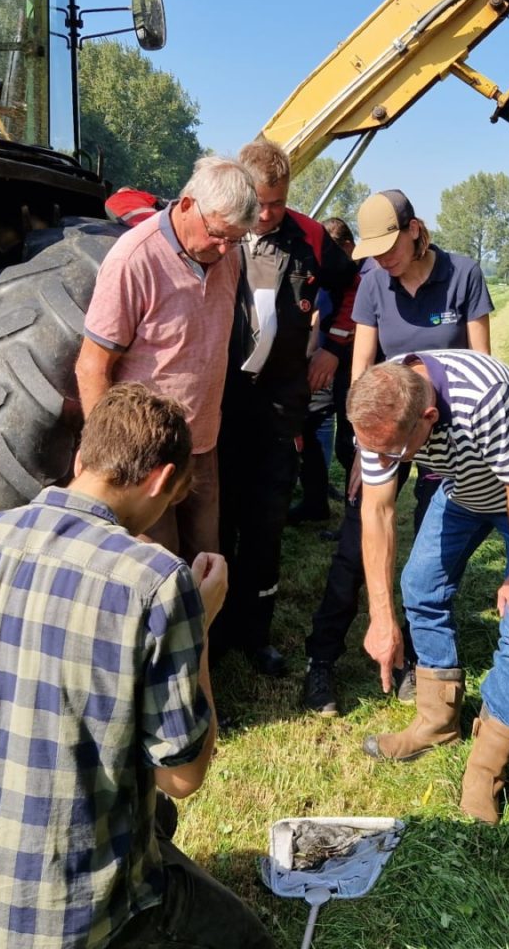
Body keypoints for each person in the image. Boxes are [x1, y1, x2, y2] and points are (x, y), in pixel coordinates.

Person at [0, 384, 275, 948]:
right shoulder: (154, 582)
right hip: (82, 923)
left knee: (157, 821)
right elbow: (181, 777)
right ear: (161, 480)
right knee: (247, 940)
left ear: (81, 460)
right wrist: (198, 629)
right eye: (170, 501)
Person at [349, 352, 509, 825]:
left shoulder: (483, 399)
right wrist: (381, 616)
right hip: (467, 489)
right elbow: (376, 510)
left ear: (428, 418)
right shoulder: (380, 403)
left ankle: (486, 770)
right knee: (420, 585)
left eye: (392, 454)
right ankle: (437, 722)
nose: (382, 463)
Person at [300, 189, 493, 715]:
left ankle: (416, 657)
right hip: (387, 424)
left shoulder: (463, 275)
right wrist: (362, 445)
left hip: (445, 434)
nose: (383, 259)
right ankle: (322, 659)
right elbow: (362, 367)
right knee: (356, 543)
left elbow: (485, 365)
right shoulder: (372, 283)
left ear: (414, 230)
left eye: (389, 247)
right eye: (374, 251)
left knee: (434, 550)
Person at [217, 137, 354, 675]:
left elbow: (356, 282)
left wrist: (334, 346)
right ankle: (213, 627)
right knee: (217, 514)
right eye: (259, 203)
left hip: (279, 401)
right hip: (219, 398)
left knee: (267, 517)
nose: (267, 214)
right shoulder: (218, 228)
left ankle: (256, 633)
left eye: (278, 203)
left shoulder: (311, 236)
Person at [77, 156, 258, 561]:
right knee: (155, 563)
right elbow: (92, 366)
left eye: (236, 240)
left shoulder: (227, 256)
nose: (225, 249)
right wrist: (108, 458)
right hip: (145, 454)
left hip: (202, 445)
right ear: (188, 205)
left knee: (206, 557)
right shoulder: (133, 259)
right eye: (219, 235)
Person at [292, 217, 359, 524]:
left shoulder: (363, 275)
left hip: (349, 365)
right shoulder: (322, 273)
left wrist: (331, 350)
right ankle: (315, 503)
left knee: (350, 442)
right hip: (322, 363)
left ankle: (354, 520)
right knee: (305, 423)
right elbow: (319, 313)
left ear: (348, 247)